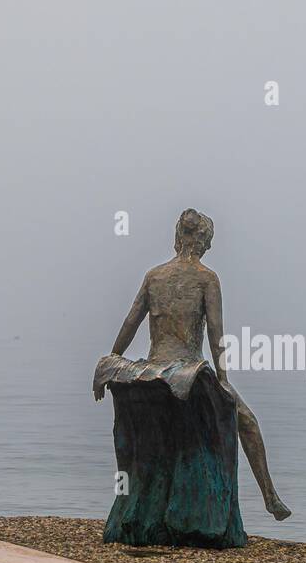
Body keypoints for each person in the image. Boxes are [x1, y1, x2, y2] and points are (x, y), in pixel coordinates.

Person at [95, 208, 291, 521]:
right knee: (248, 422)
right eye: (210, 241)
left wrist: (115, 358)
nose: (211, 248)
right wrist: (224, 380)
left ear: (178, 237)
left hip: (152, 368)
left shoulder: (154, 276)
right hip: (187, 369)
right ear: (202, 242)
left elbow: (131, 321)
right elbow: (217, 335)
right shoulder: (207, 279)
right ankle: (270, 496)